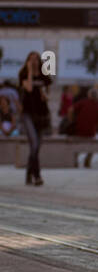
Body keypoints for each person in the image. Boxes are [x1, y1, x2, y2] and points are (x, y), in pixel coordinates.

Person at [18, 51, 52, 187]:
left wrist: (45, 95)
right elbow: (29, 88)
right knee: (34, 143)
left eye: (36, 59)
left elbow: (48, 94)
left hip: (41, 114)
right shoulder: (23, 74)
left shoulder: (45, 76)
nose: (34, 62)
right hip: (27, 113)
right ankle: (37, 175)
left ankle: (28, 173)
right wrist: (30, 72)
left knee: (36, 147)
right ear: (27, 61)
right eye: (31, 60)